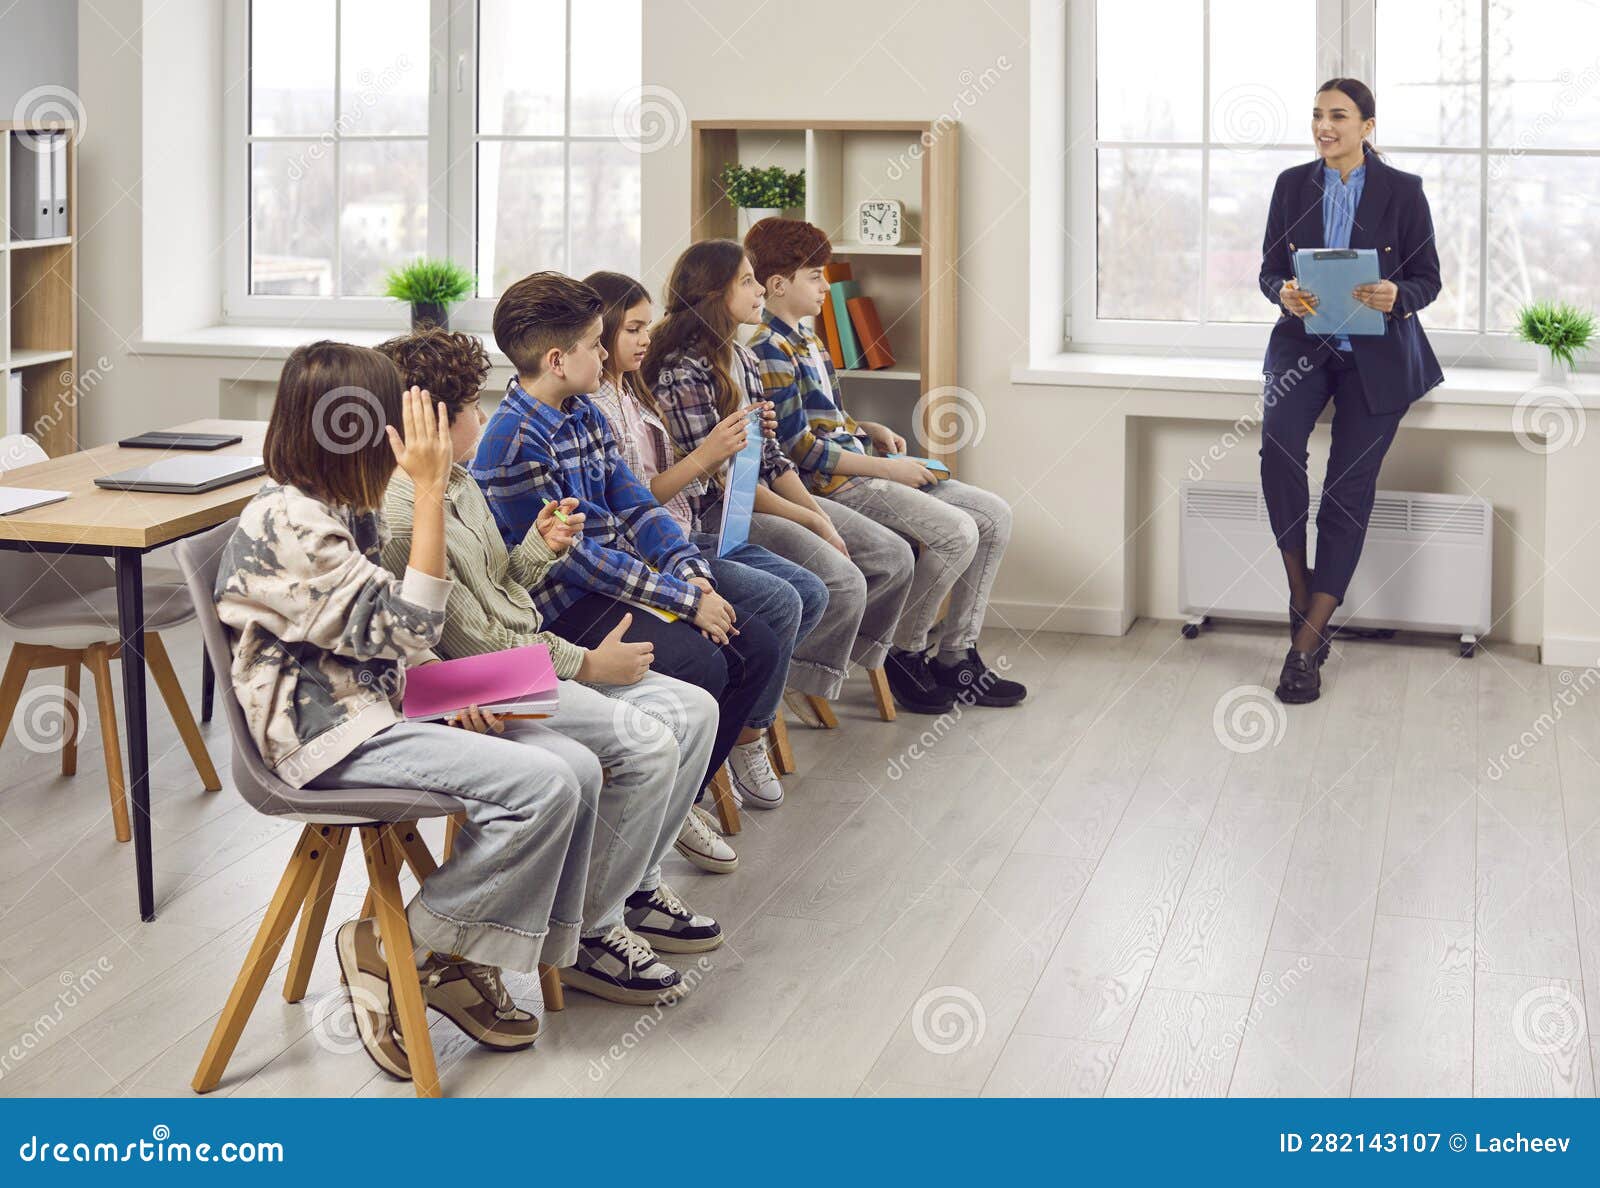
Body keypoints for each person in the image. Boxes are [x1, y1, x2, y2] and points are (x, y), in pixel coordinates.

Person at [214, 341, 579, 1079]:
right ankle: (401, 948)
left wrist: (447, 689)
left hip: (378, 703)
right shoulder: (296, 528)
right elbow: (411, 625)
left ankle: (453, 951)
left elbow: (391, 643)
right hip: (329, 736)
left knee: (571, 761)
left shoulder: (335, 509)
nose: (407, 441)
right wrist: (432, 489)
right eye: (395, 423)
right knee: (547, 786)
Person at [376, 327, 726, 1006]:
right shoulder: (404, 510)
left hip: (516, 662)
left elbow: (500, 589)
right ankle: (590, 932)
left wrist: (539, 547)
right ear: (435, 423)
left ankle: (631, 888)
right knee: (649, 743)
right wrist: (586, 663)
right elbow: (475, 646)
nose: (483, 416)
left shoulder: (458, 481)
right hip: (479, 683)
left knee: (696, 710)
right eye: (471, 406)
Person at [469, 271, 783, 812]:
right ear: (557, 360)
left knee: (756, 647)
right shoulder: (513, 441)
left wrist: (694, 578)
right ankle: (662, 809)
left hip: (614, 586)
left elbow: (637, 504)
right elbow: (574, 561)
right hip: (565, 606)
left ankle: (678, 804)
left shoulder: (584, 412)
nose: (604, 354)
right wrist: (685, 601)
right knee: (706, 664)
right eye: (595, 344)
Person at [744, 217, 1026, 712]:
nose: (826, 286)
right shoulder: (768, 351)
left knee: (994, 515)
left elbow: (827, 419)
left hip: (862, 464)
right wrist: (889, 470)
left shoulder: (809, 341)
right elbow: (798, 450)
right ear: (778, 284)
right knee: (957, 531)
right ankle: (906, 653)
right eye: (815, 276)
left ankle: (956, 655)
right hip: (834, 484)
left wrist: (867, 428)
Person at [584, 269, 828, 808]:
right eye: (632, 329)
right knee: (780, 604)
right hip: (656, 550)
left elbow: (665, 484)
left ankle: (742, 728)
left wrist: (743, 440)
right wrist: (709, 454)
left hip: (683, 535)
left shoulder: (634, 390)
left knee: (807, 594)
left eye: (646, 327)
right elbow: (633, 502)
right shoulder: (596, 405)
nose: (645, 339)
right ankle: (736, 741)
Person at [1259, 78, 1443, 704]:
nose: (1324, 126)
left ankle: (1306, 644)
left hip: (1378, 358)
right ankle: (1300, 591)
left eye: (1338, 116)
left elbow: (1428, 279)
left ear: (1367, 126)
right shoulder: (1291, 185)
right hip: (1303, 350)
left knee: (1347, 490)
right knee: (1278, 450)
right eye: (1317, 115)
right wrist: (1283, 292)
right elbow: (1269, 270)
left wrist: (1398, 296)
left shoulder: (1403, 191)